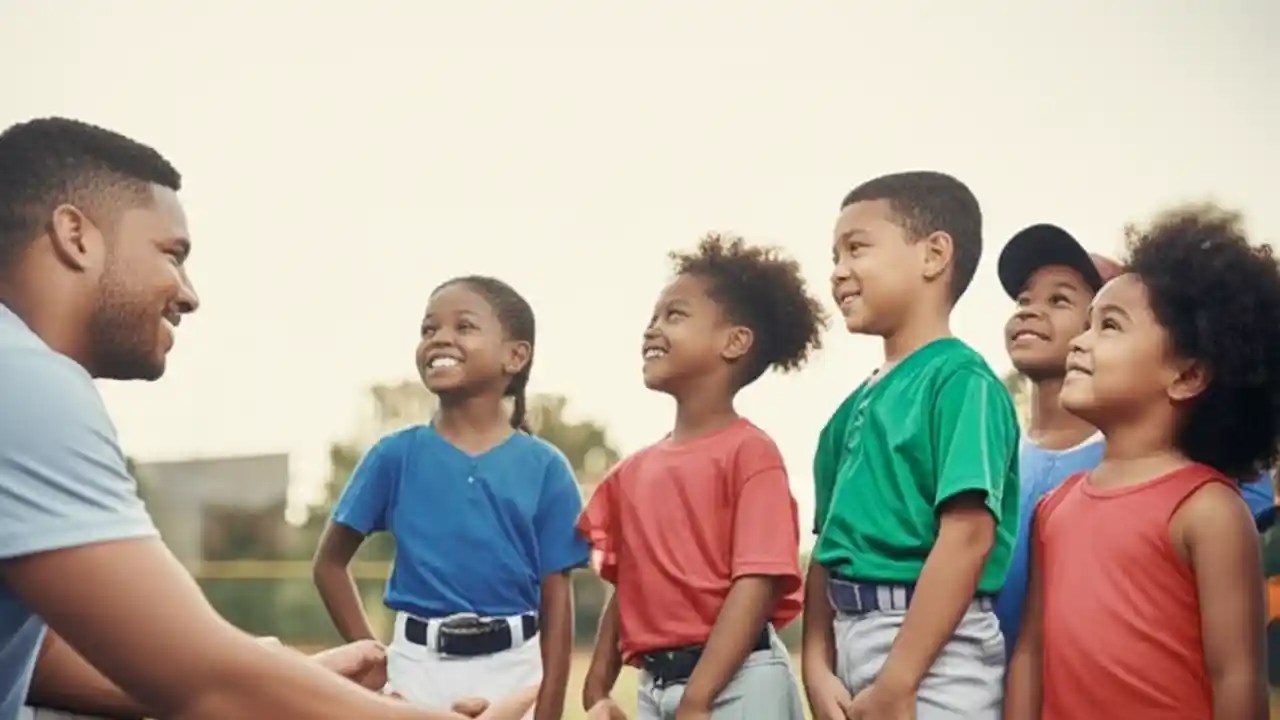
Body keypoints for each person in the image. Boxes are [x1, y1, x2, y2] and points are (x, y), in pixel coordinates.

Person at [0, 117, 528, 720]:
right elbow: (208, 684)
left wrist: (290, 677)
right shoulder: (26, 382)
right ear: (75, 235)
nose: (188, 293)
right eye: (171, 255)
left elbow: (40, 657)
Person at [1004, 204, 1278, 719]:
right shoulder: (1053, 508)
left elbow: (1237, 678)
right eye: (1085, 326)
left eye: (1109, 325)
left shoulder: (1209, 510)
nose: (1081, 342)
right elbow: (1031, 652)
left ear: (1187, 374)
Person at [313, 275, 587, 720]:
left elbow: (557, 602)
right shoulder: (395, 456)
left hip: (516, 672)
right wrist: (377, 662)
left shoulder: (546, 468)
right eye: (428, 329)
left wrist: (549, 710)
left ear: (515, 356)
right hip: (416, 673)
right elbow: (328, 563)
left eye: (464, 327)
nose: (440, 339)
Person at [802, 172, 1020, 720]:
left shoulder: (961, 382)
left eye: (857, 248)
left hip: (935, 657)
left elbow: (968, 537)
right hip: (849, 645)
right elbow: (828, 549)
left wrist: (900, 680)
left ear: (933, 255)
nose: (838, 271)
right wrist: (814, 662)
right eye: (834, 255)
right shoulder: (845, 415)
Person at [579, 234, 823, 720]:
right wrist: (596, 691)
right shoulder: (631, 472)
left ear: (734, 342)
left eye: (675, 315)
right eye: (652, 317)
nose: (651, 329)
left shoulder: (752, 453)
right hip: (656, 689)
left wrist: (699, 697)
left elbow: (755, 584)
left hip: (738, 687)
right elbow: (628, 586)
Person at [991, 224, 1120, 656]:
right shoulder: (990, 456)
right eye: (1023, 299)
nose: (1029, 310)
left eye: (1059, 299)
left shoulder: (1128, 463)